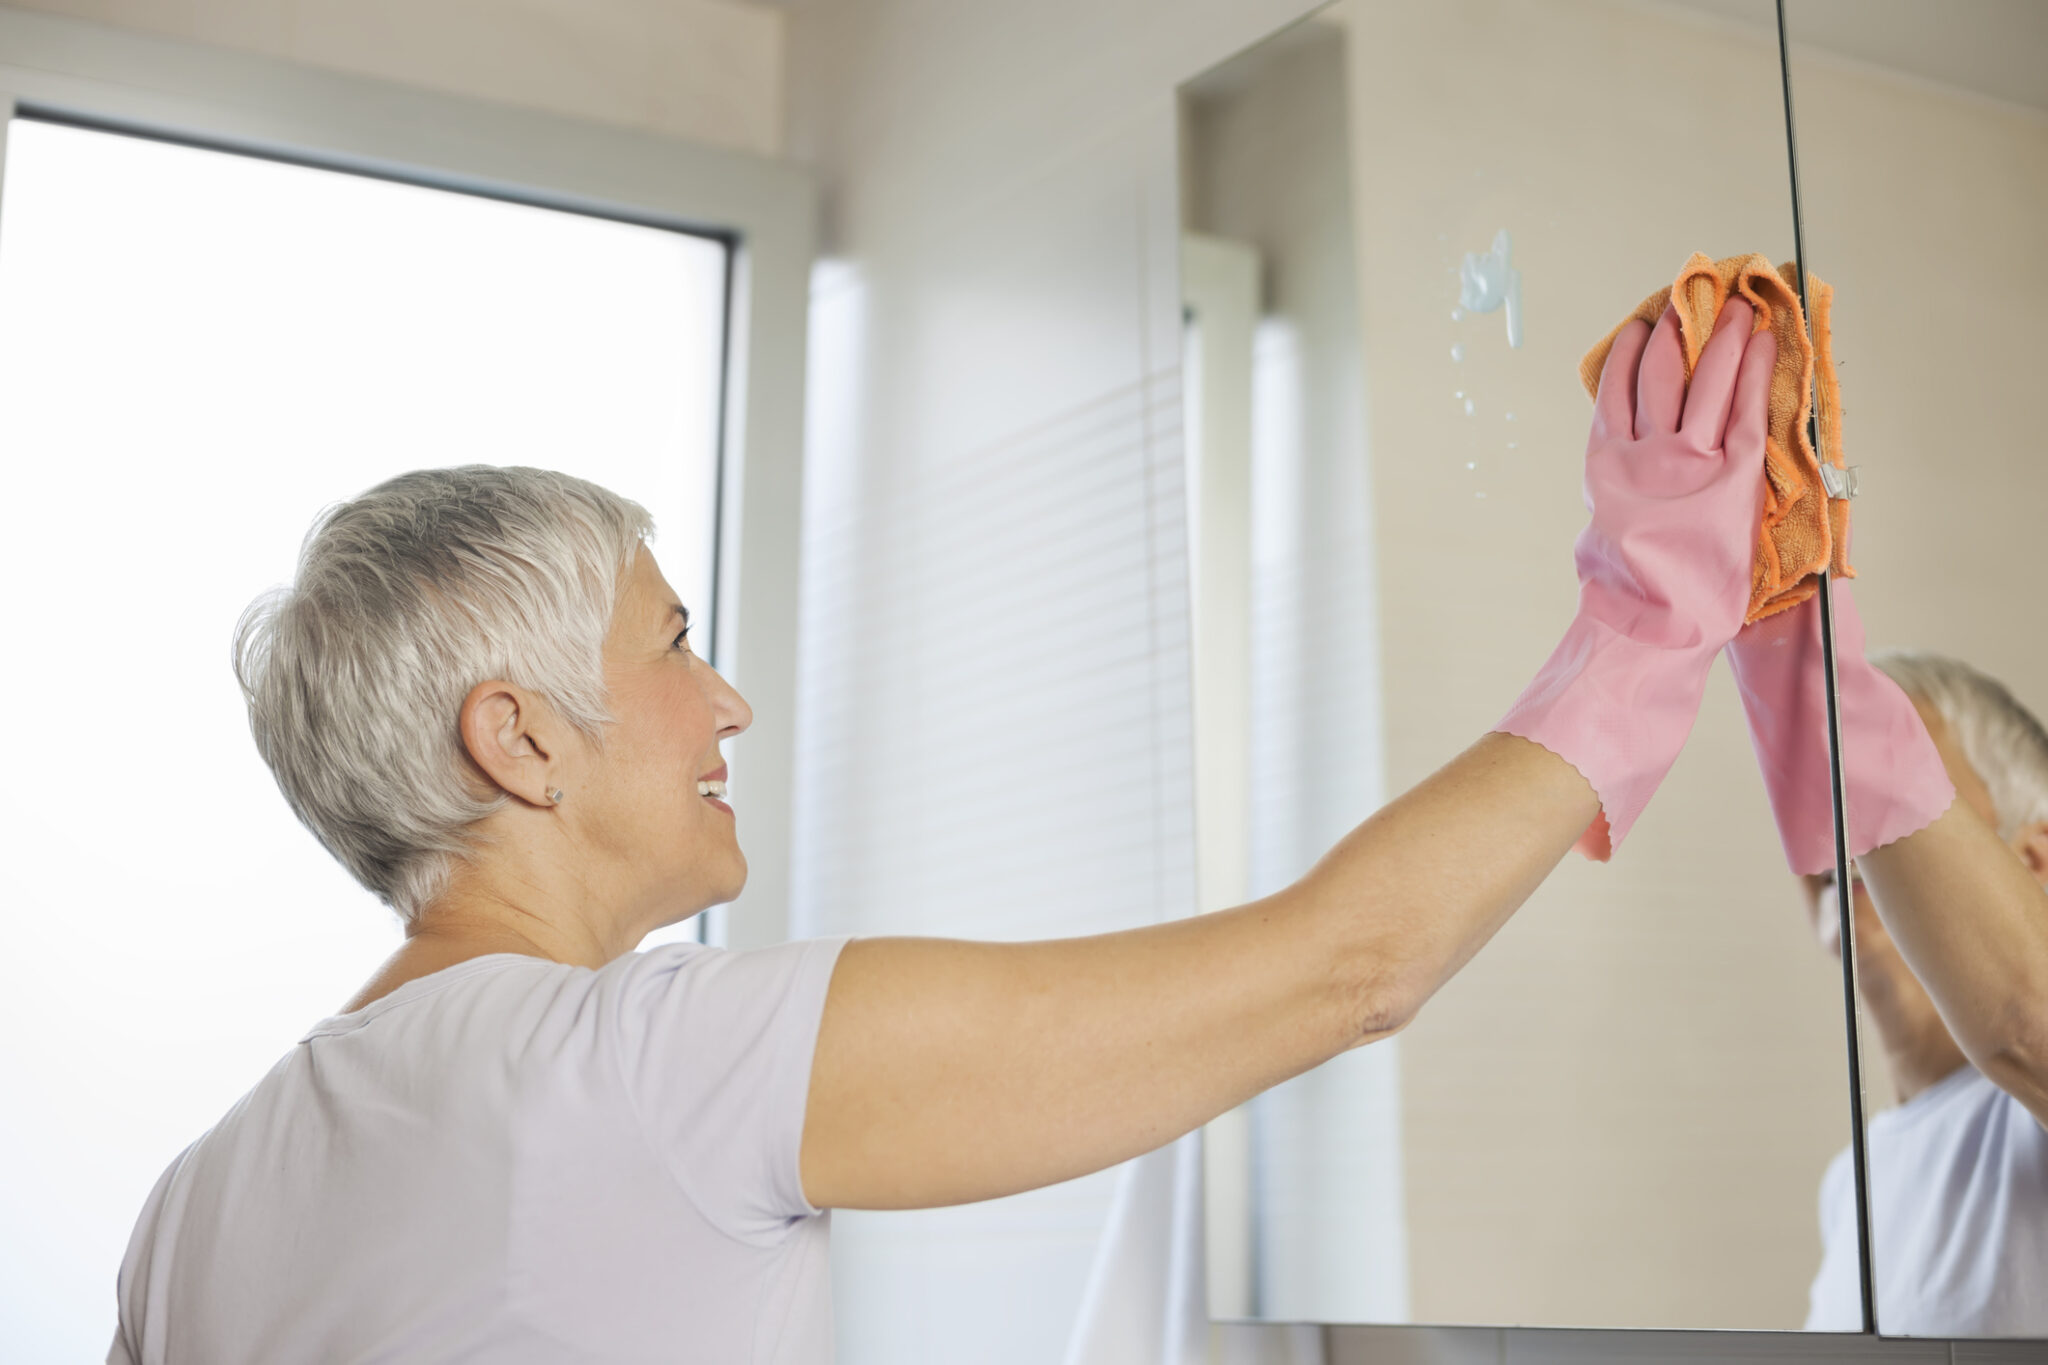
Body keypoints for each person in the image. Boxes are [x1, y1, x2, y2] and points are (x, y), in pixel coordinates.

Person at [110, 300, 1776, 1364]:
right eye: (675, 642)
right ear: (521, 736)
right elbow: (1344, 968)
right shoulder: (646, 1062)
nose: (726, 705)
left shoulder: (189, 1209)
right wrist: (1645, 621)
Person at [1730, 618, 2048, 1334]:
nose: (1843, 831)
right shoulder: (1851, 1183)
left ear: (2034, 859)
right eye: (1829, 795)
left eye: (1893, 795)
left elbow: (2025, 1019)